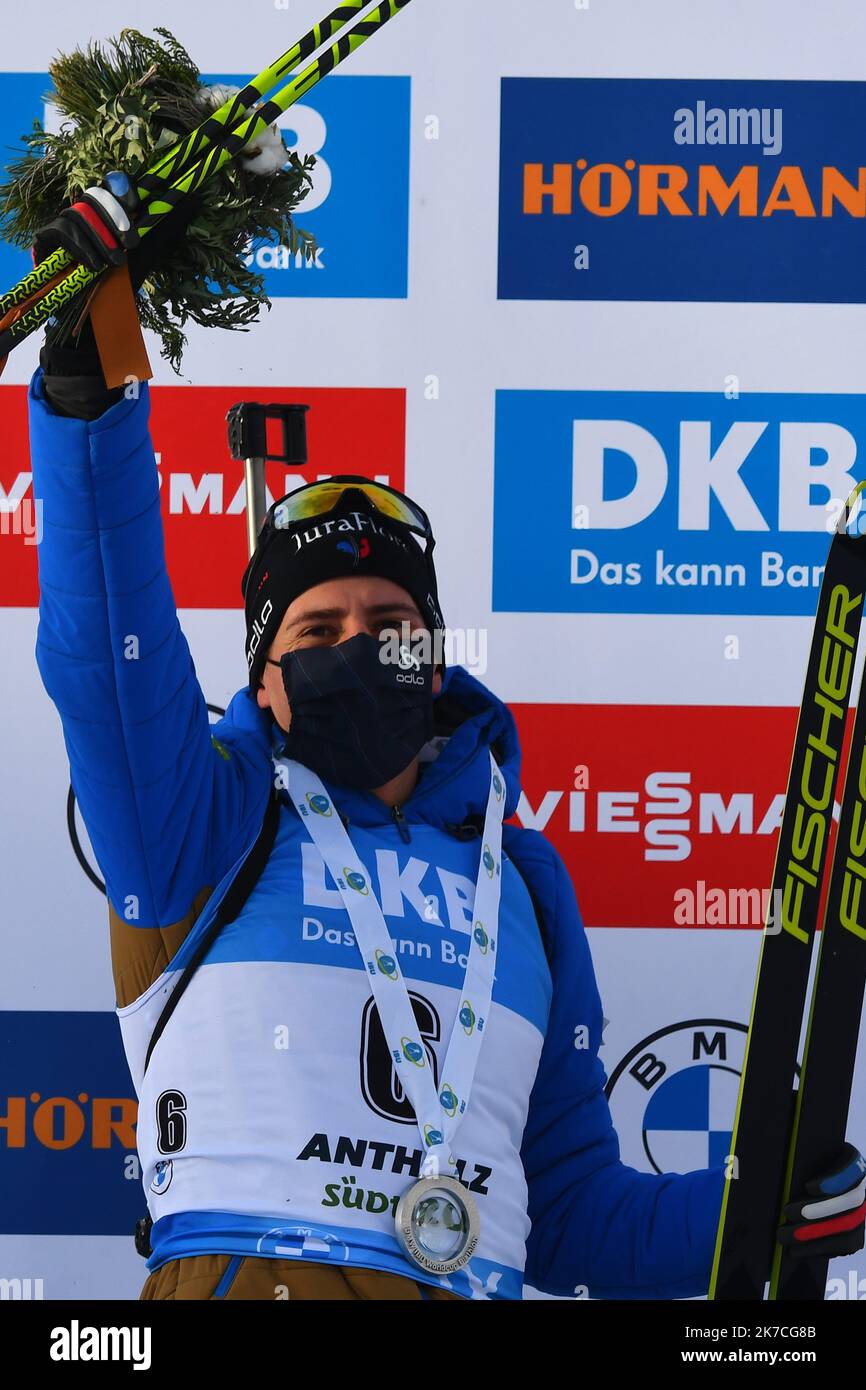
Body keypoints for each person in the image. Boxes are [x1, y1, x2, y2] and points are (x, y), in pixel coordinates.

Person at [25, 184, 866, 1302]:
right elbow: (109, 666)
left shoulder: (516, 873)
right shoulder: (197, 820)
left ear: (433, 651)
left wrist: (755, 1208)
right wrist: (88, 402)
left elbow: (569, 1216)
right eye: (317, 630)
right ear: (262, 677)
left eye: (389, 624)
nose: (356, 645)